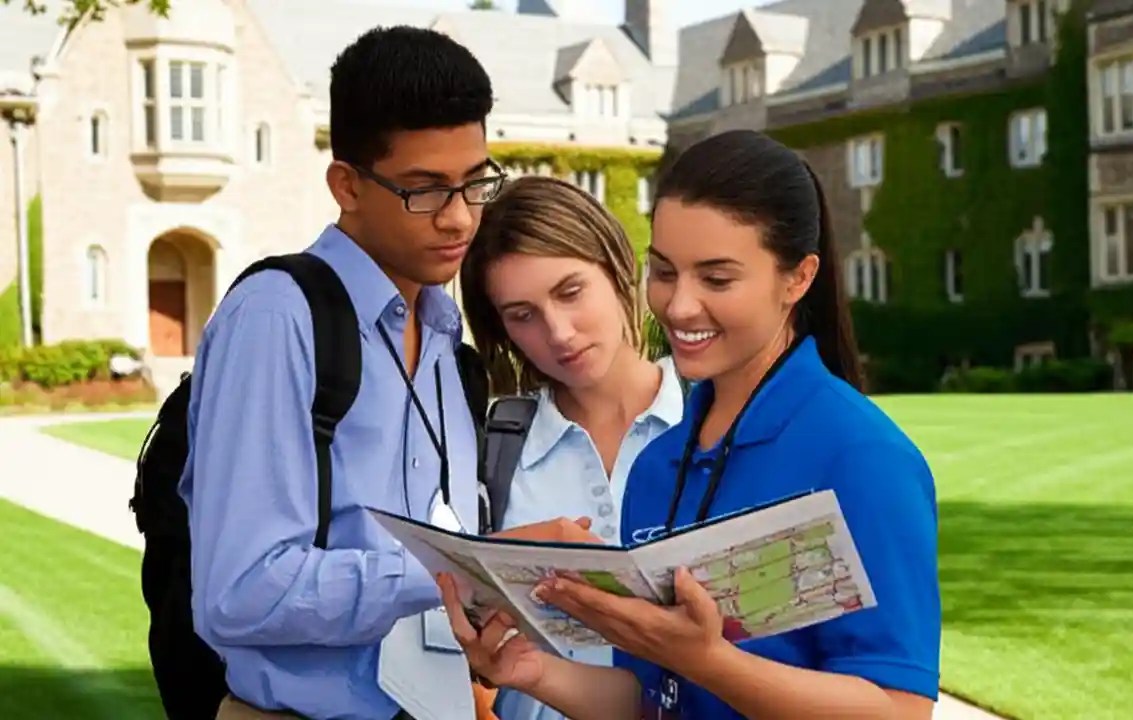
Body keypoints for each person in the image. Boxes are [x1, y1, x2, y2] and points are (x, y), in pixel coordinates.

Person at [439, 129, 942, 719]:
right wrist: (533, 672)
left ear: (798, 278)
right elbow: (653, 702)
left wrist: (710, 661)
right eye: (666, 272)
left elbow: (899, 709)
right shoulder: (660, 466)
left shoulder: (860, 454)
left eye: (717, 278)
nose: (678, 306)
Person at [180, 26, 506, 719]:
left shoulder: (448, 338)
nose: (459, 219)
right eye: (424, 191)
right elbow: (240, 591)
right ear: (347, 185)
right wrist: (467, 569)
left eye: (475, 183)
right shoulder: (275, 318)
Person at [457, 175, 686, 720]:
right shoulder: (490, 451)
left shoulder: (718, 428)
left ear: (618, 269)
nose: (557, 332)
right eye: (522, 315)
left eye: (570, 291)